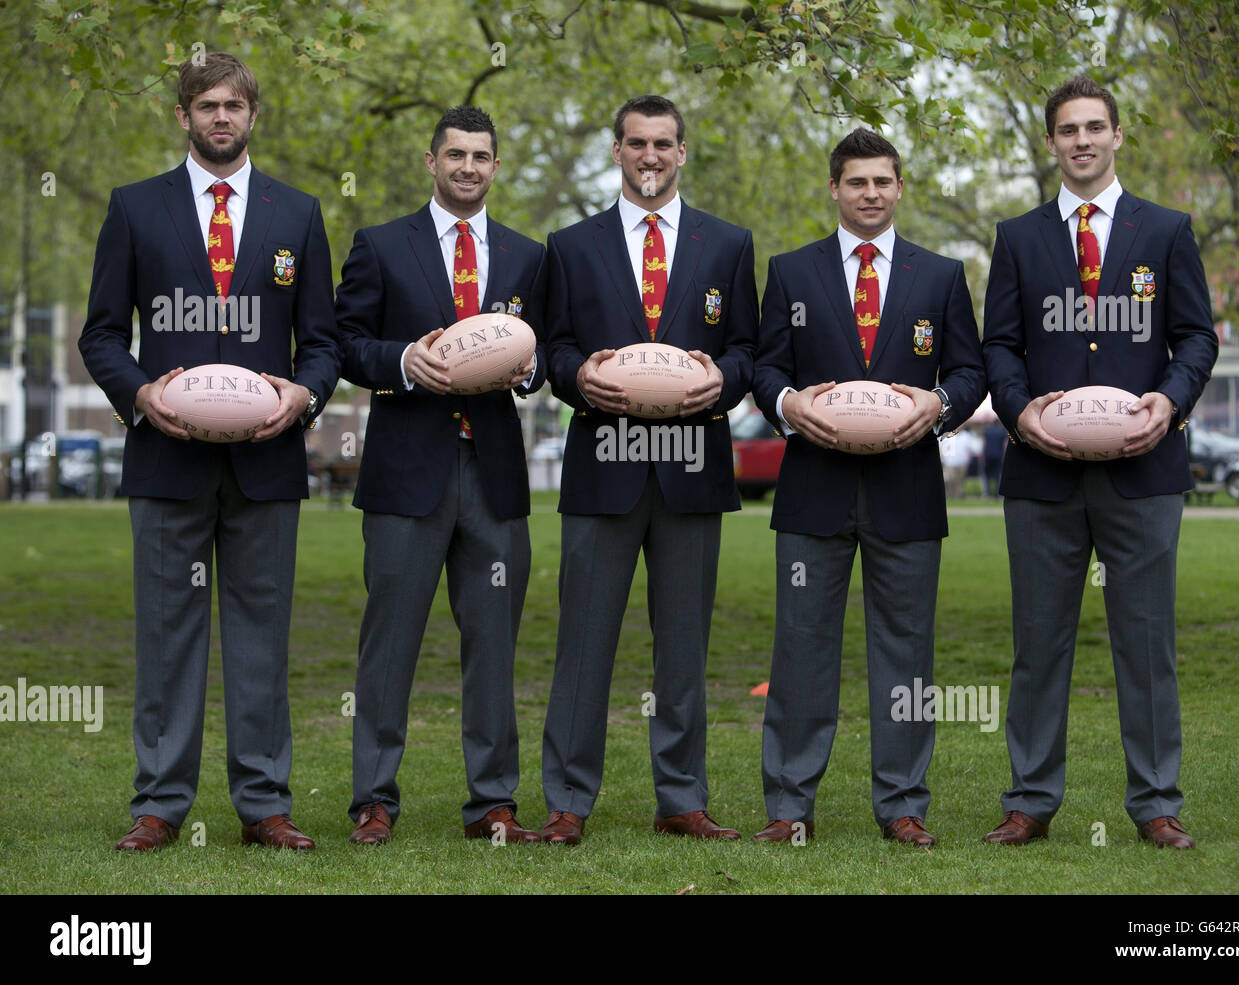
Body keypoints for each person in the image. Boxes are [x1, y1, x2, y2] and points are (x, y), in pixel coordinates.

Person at [79, 53, 340, 851]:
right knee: (168, 631)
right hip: (168, 460)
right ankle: (159, 802)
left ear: (252, 115)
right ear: (183, 116)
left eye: (233, 105)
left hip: (267, 462)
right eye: (205, 105)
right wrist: (141, 394)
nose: (220, 118)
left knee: (262, 630)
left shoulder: (297, 213)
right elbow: (101, 334)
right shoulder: (134, 209)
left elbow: (322, 343)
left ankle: (264, 804)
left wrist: (304, 395)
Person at [981, 76, 1218, 849]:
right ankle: (1029, 801)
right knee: (1038, 641)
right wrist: (1019, 413)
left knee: (1146, 642)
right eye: (1067, 130)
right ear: (1051, 142)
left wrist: (1169, 404)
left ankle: (1155, 803)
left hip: (1143, 472)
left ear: (1118, 136)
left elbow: (1198, 338)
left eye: (1094, 127)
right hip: (1041, 476)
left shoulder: (1167, 231)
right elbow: (999, 348)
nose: (1081, 140)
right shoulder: (1017, 237)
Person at [751, 128, 985, 845]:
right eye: (857, 182)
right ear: (834, 189)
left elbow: (971, 373)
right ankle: (790, 805)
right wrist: (790, 405)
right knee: (800, 648)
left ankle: (904, 804)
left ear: (900, 187)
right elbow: (764, 369)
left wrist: (936, 406)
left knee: (907, 653)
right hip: (812, 490)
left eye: (883, 181)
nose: (871, 193)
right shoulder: (791, 273)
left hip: (906, 490)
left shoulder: (940, 275)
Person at [538, 95, 758, 845]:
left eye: (663, 143)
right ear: (617, 150)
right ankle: (568, 800)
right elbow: (553, 352)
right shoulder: (570, 246)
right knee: (583, 645)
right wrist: (581, 376)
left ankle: (682, 797)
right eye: (637, 143)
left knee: (685, 648)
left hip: (693, 468)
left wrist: (719, 382)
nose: (651, 156)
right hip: (605, 466)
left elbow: (749, 353)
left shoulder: (727, 244)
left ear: (682, 152)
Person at [335, 106, 546, 846]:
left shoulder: (527, 256)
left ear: (496, 166)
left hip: (492, 477)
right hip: (405, 474)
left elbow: (542, 349)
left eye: (480, 156)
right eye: (454, 154)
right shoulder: (381, 245)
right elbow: (344, 343)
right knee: (389, 641)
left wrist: (531, 369)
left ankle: (493, 801)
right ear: (431, 162)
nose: (467, 167)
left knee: (494, 641)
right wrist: (401, 362)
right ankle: (372, 798)